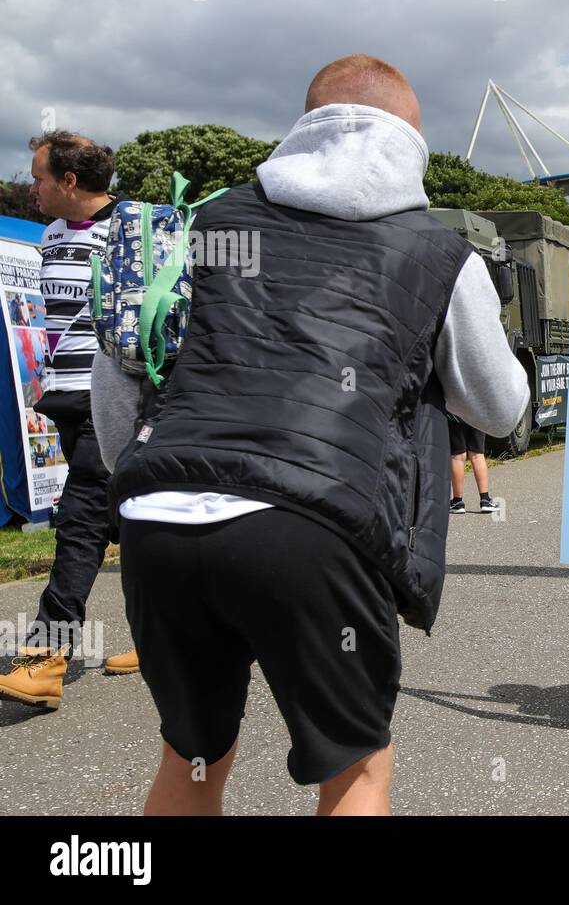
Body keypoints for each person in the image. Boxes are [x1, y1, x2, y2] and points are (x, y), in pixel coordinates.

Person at [105, 54, 529, 815]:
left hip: (160, 515)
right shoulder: (437, 251)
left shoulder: (209, 221)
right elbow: (499, 410)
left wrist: (141, 480)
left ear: (303, 126)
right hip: (314, 524)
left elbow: (125, 365)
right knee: (357, 772)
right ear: (411, 140)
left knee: (191, 760)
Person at [0, 132, 139, 711]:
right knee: (131, 523)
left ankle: (48, 657)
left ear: (70, 182)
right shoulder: (54, 233)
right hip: (62, 395)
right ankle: (170, 638)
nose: (31, 187)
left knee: (80, 520)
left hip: (108, 399)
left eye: (38, 177)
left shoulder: (128, 229)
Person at [447, 413, 500, 514]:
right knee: (477, 454)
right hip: (476, 410)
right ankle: (485, 500)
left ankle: (457, 502)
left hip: (455, 410)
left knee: (458, 456)